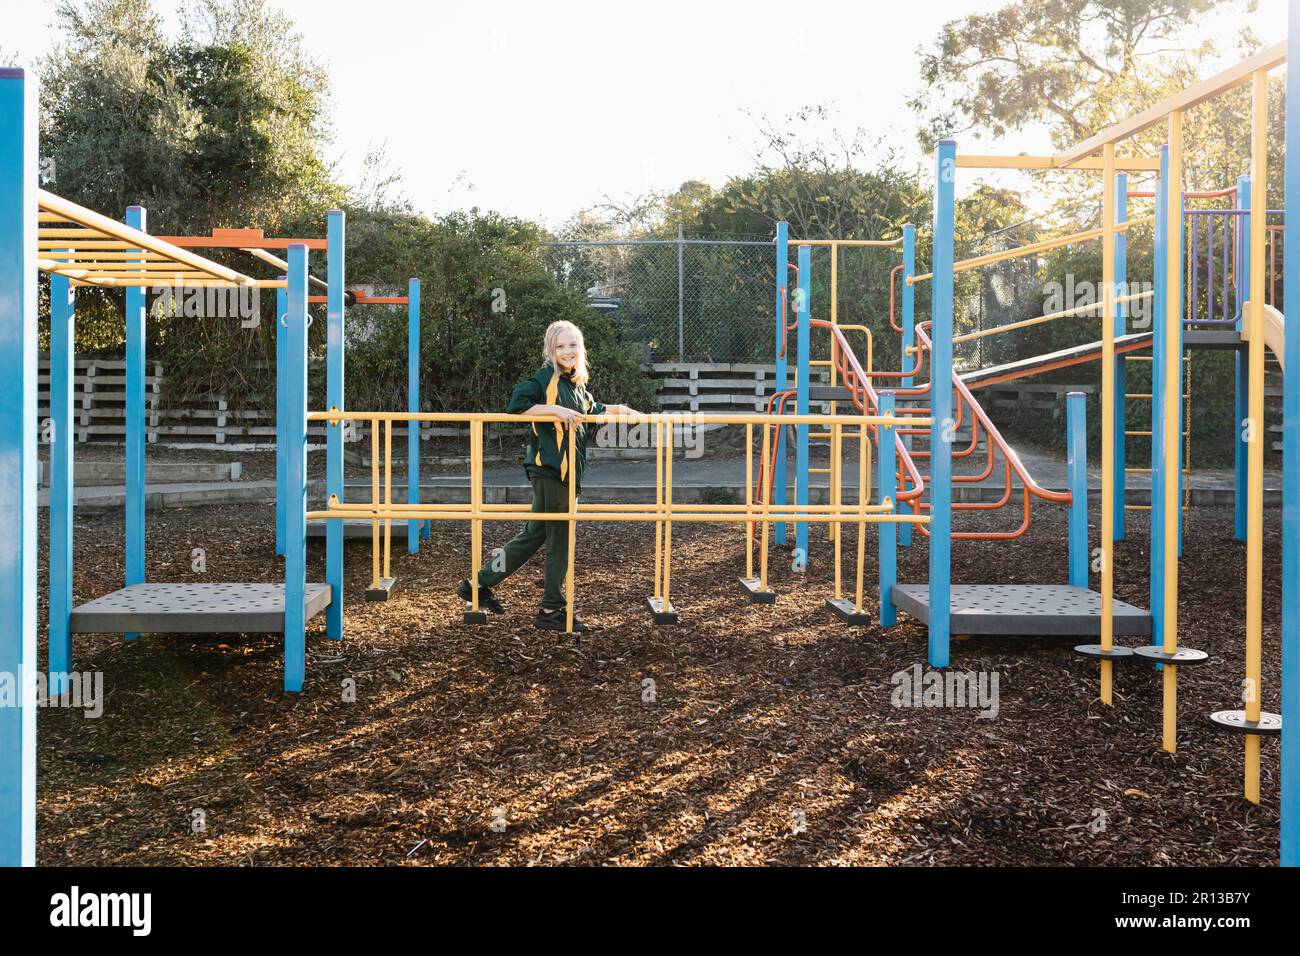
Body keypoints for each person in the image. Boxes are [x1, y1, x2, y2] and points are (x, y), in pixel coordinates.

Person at [456, 320, 640, 632]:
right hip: (552, 471)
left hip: (568, 473)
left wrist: (624, 410)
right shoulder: (548, 378)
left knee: (535, 534)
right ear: (551, 351)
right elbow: (516, 405)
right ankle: (551, 608)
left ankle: (477, 583)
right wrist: (555, 411)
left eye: (572, 345)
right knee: (560, 538)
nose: (567, 351)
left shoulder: (576, 386)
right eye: (560, 346)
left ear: (580, 349)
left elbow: (596, 408)